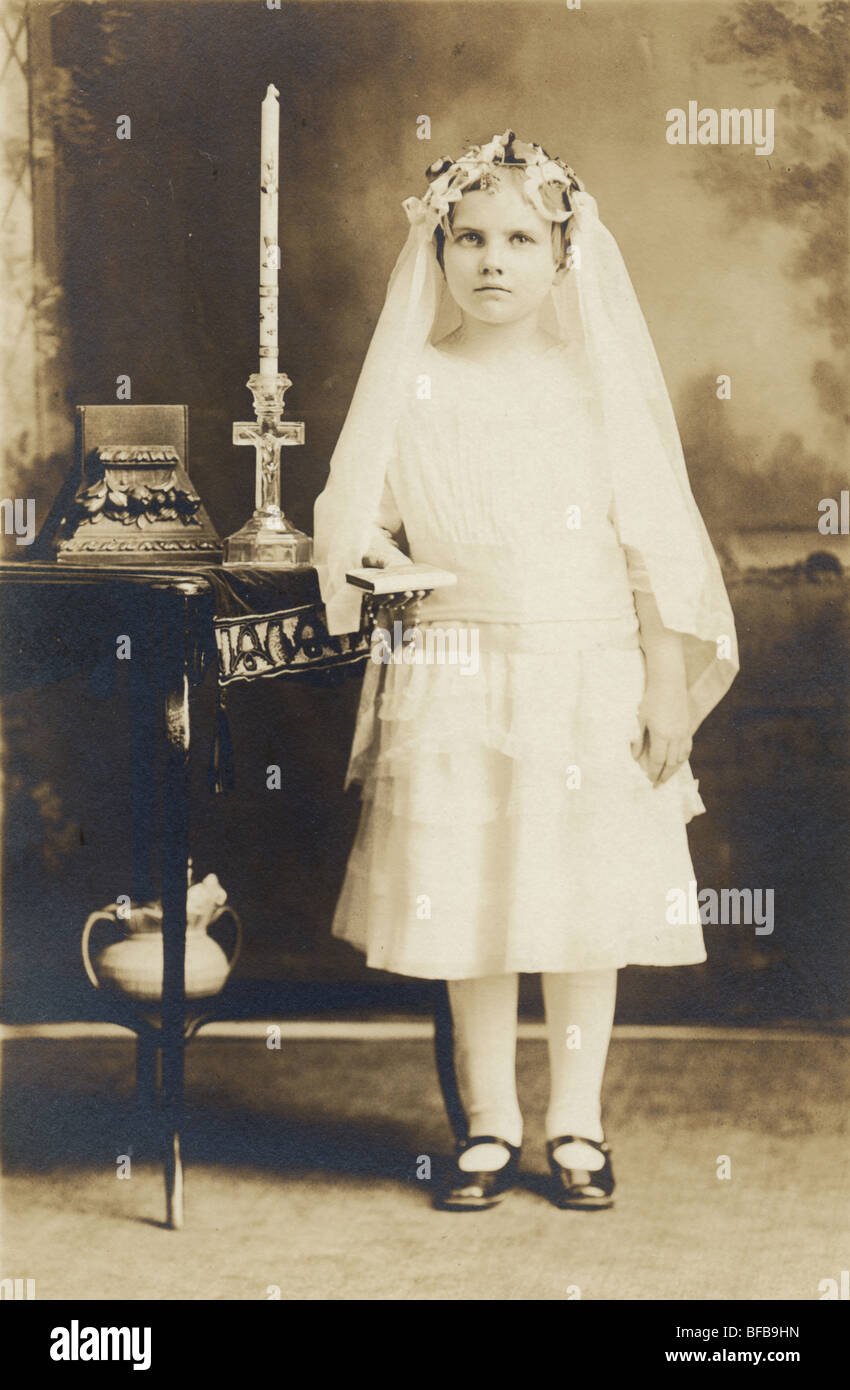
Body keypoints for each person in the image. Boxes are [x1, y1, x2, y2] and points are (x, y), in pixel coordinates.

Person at [313, 131, 738, 1211]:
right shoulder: (411, 378)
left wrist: (661, 684)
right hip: (458, 665)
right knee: (472, 896)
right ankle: (491, 1121)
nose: (492, 260)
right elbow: (362, 518)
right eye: (469, 238)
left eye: (518, 239)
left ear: (562, 257)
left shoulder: (592, 386)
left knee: (581, 899)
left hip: (585, 665)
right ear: (439, 250)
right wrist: (378, 561)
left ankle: (577, 1122)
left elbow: (650, 546)